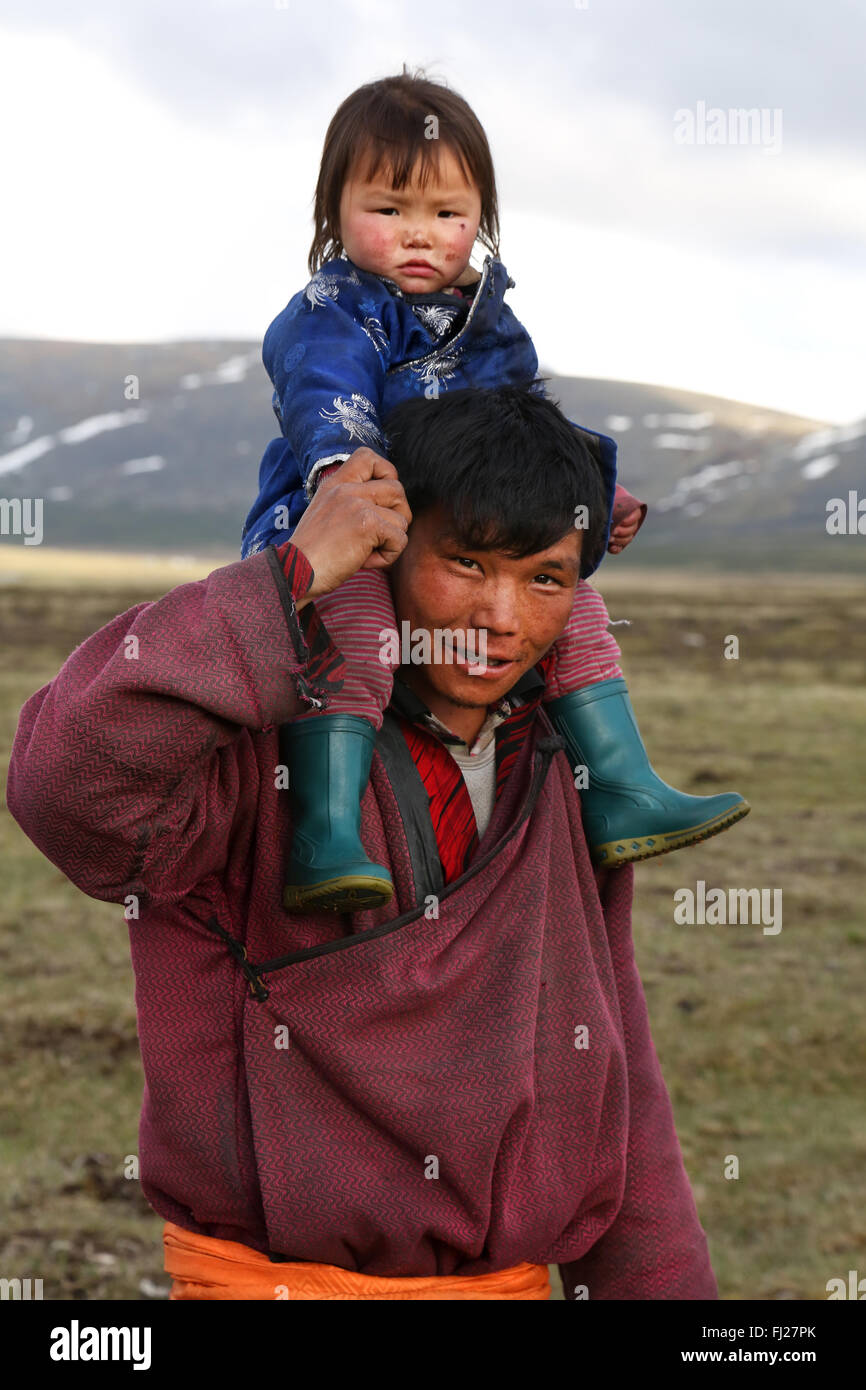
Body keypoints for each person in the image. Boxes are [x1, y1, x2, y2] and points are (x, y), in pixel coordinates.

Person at [6, 383, 719, 1300]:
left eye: (545, 578)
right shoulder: (257, 750)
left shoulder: (561, 761)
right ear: (382, 547)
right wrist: (290, 578)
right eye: (465, 562)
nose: (501, 619)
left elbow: (613, 1075)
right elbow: (68, 794)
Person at [241, 68, 748, 914]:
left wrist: (584, 491)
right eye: (388, 209)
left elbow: (526, 419)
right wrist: (346, 475)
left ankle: (620, 785)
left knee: (576, 607)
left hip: (465, 522)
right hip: (342, 524)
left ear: (482, 217)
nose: (419, 235)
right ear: (334, 210)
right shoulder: (334, 310)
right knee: (358, 630)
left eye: (447, 214)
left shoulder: (488, 318)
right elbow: (324, 394)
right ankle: (326, 830)